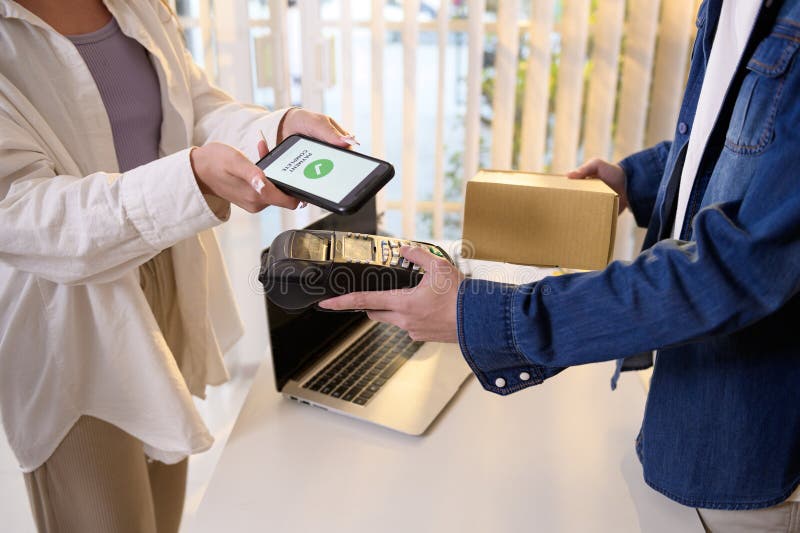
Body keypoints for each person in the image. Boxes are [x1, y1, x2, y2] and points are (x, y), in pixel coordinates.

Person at [321, 0, 800, 530]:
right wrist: (632, 179)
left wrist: (489, 318)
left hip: (742, 446)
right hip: (682, 394)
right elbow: (729, 135)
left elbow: (737, 271)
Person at [0, 0, 353, 531]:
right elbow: (18, 208)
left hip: (166, 274)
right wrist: (191, 179)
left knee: (164, 513)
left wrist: (274, 129)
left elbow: (194, 107)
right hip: (69, 316)